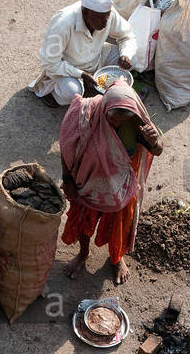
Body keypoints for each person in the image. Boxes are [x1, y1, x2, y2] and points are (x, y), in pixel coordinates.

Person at [59, 80, 163, 285]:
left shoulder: (138, 123)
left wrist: (155, 141)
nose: (115, 125)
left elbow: (157, 150)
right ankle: (83, 253)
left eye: (121, 122)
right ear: (104, 107)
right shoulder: (86, 113)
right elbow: (66, 146)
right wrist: (67, 178)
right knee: (84, 222)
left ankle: (116, 258)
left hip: (121, 190)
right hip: (88, 184)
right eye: (112, 119)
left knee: (119, 226)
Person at [30, 0, 136, 106]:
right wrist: (80, 74)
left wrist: (126, 54)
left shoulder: (106, 13)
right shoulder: (63, 23)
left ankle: (89, 82)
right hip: (68, 66)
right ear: (85, 12)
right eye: (100, 18)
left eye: (107, 15)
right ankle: (53, 93)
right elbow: (49, 62)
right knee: (72, 93)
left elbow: (127, 35)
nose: (105, 22)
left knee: (134, 59)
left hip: (97, 56)